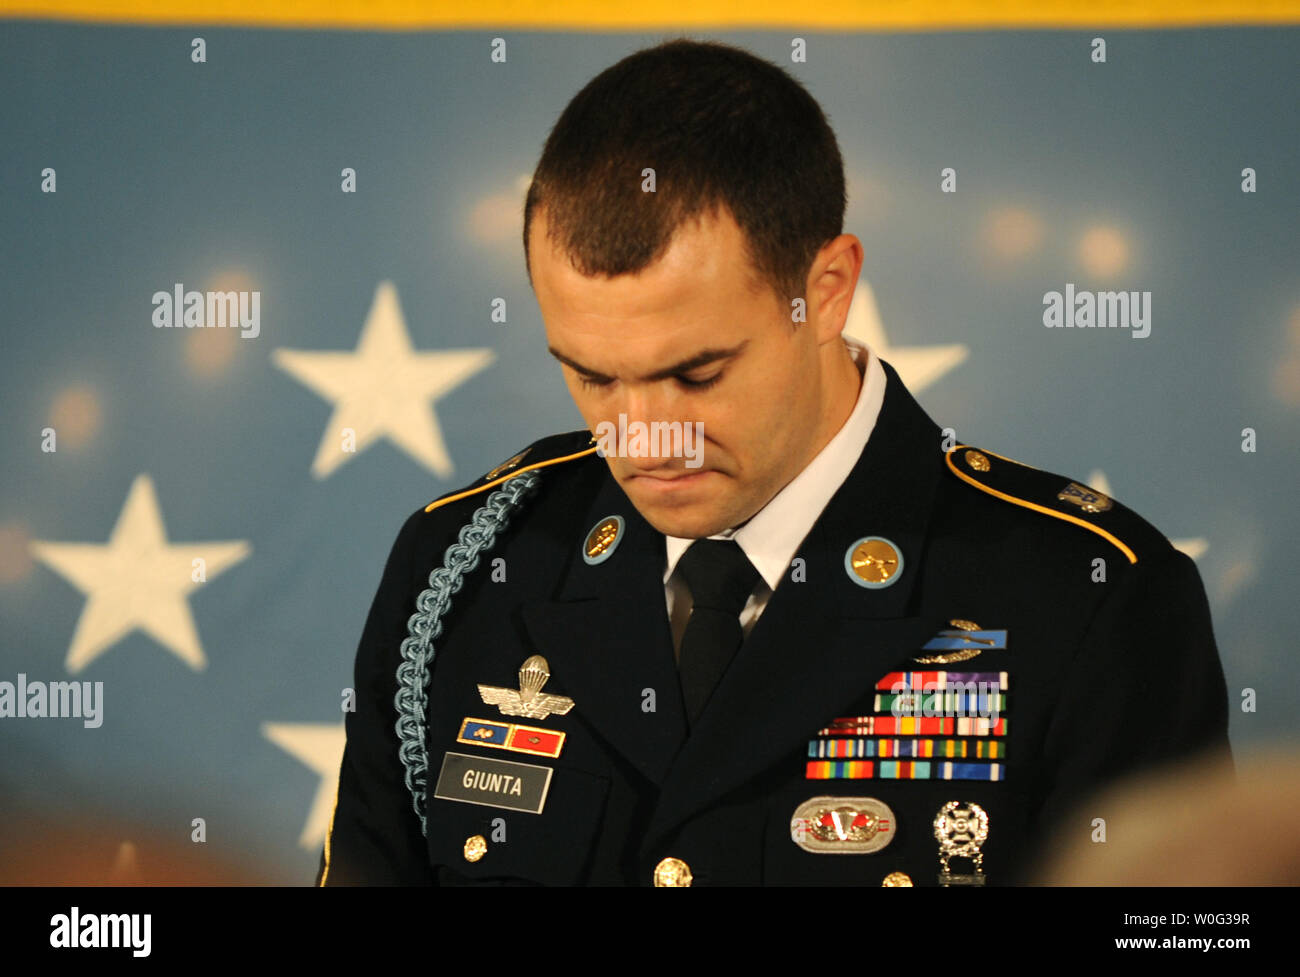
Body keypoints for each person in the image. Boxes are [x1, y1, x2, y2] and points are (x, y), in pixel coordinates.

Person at [316, 38, 1230, 886]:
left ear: (825, 292)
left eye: (696, 373)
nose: (643, 436)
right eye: (592, 377)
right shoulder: (463, 569)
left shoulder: (1094, 601)